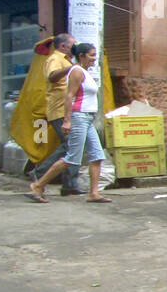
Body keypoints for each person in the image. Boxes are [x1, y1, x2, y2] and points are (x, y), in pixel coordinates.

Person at [26, 43, 111, 203]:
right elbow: (69, 96)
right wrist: (67, 120)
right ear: (81, 56)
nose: (94, 58)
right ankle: (37, 186)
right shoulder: (77, 71)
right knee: (72, 158)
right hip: (79, 117)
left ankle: (94, 194)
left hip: (88, 118)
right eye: (91, 55)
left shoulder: (85, 72)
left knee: (97, 156)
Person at [27, 32, 78, 195]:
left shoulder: (66, 60)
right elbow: (52, 76)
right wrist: (71, 68)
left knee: (73, 145)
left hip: (67, 108)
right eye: (72, 46)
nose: (75, 49)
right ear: (63, 46)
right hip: (59, 109)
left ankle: (70, 185)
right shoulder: (55, 59)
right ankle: (40, 172)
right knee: (70, 145)